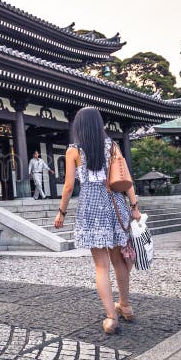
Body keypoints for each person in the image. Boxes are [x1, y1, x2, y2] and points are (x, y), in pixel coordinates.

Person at [53, 107, 141, 334]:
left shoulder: (73, 151)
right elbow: (126, 177)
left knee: (101, 265)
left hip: (90, 207)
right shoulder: (113, 146)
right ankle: (127, 307)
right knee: (119, 261)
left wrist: (61, 212)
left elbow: (69, 186)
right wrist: (134, 207)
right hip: (114, 204)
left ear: (79, 126)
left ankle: (112, 317)